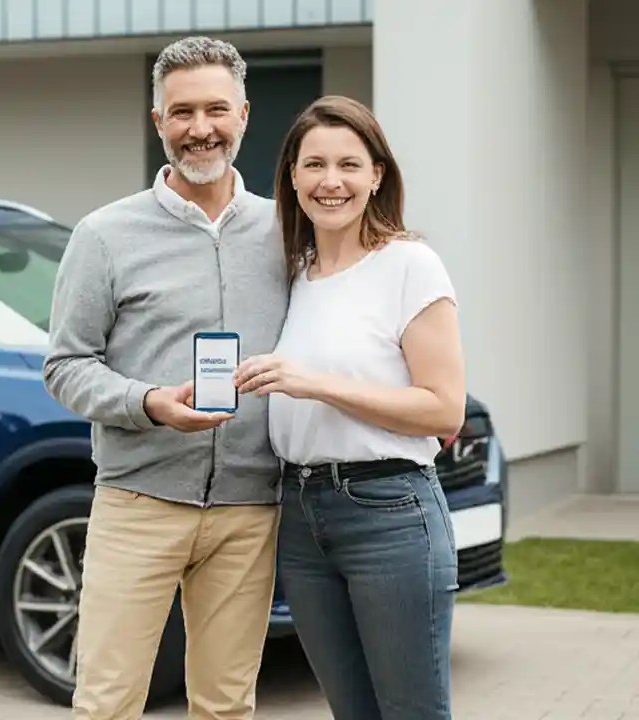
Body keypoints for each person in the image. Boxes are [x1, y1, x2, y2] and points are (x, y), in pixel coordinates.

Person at [43, 36, 289, 719]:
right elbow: (64, 366)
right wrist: (148, 402)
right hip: (138, 503)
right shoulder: (104, 235)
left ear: (243, 114)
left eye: (216, 110)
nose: (200, 129)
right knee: (107, 702)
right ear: (158, 122)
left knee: (226, 706)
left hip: (249, 511)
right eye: (182, 113)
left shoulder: (286, 230)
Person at [233, 95, 466, 720]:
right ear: (291, 176)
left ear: (376, 176)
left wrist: (318, 383)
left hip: (389, 512)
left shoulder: (409, 265)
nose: (329, 182)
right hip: (302, 517)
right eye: (313, 165)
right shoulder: (295, 272)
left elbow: (444, 410)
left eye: (348, 165)